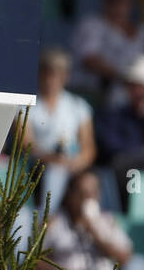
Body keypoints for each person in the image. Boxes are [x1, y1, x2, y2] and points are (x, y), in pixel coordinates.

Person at [21, 48, 95, 209]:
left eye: (57, 75)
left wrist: (75, 163)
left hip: (71, 168)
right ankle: (47, 217)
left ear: (65, 77)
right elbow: (26, 143)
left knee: (89, 183)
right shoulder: (26, 104)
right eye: (47, 73)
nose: (51, 80)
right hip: (36, 168)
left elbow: (88, 149)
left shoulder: (78, 106)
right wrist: (52, 159)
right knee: (55, 171)